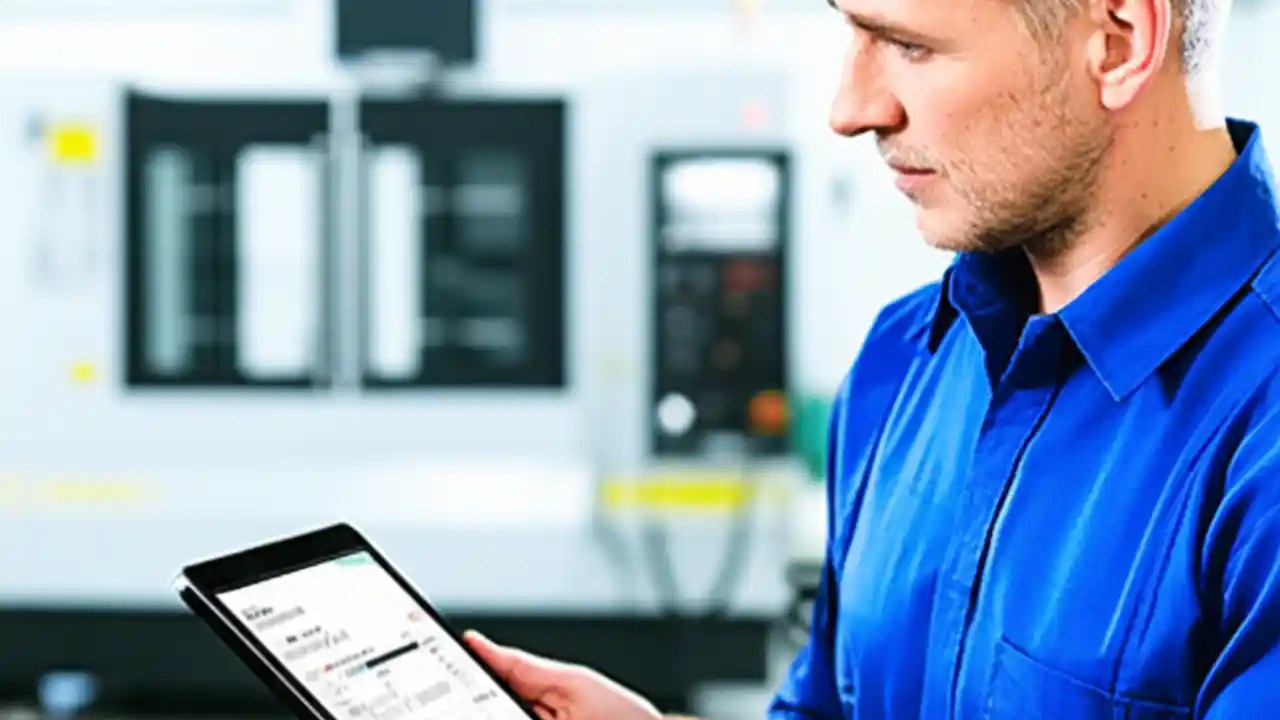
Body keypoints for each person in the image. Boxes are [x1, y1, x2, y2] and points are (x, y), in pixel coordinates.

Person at [465, 0, 1280, 715]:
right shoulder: (903, 364)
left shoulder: (1260, 431)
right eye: (851, 30)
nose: (851, 108)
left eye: (909, 45)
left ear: (1118, 39)